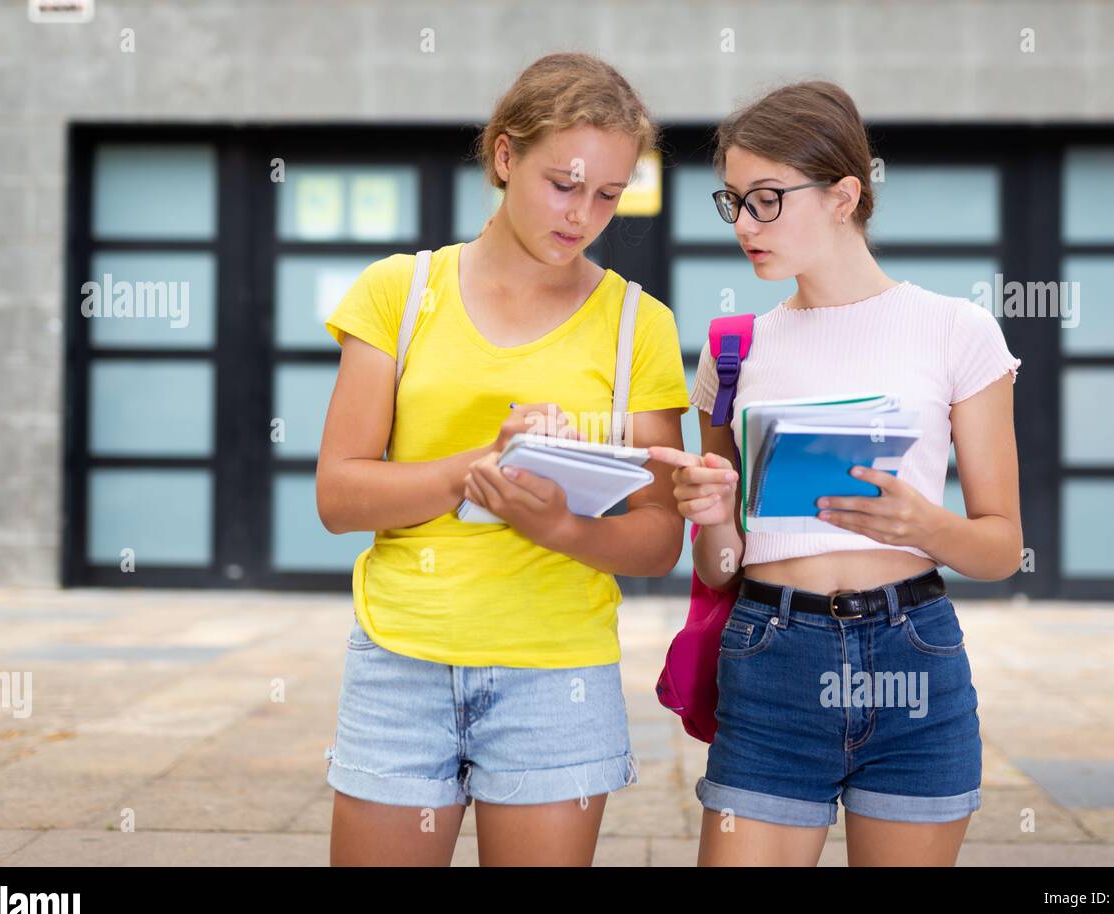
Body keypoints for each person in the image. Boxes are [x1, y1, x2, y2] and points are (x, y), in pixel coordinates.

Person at [317, 52, 691, 866]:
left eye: (607, 194)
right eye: (564, 183)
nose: (583, 214)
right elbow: (340, 495)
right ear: (504, 157)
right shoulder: (399, 294)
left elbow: (662, 537)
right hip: (401, 660)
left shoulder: (641, 326)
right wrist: (478, 465)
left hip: (557, 674)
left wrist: (559, 526)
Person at [648, 80, 1023, 866]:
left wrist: (927, 526)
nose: (745, 225)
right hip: (770, 655)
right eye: (734, 202)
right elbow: (719, 568)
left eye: (767, 200)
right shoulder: (734, 350)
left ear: (845, 195)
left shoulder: (958, 332)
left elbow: (998, 549)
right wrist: (712, 512)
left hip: (914, 655)